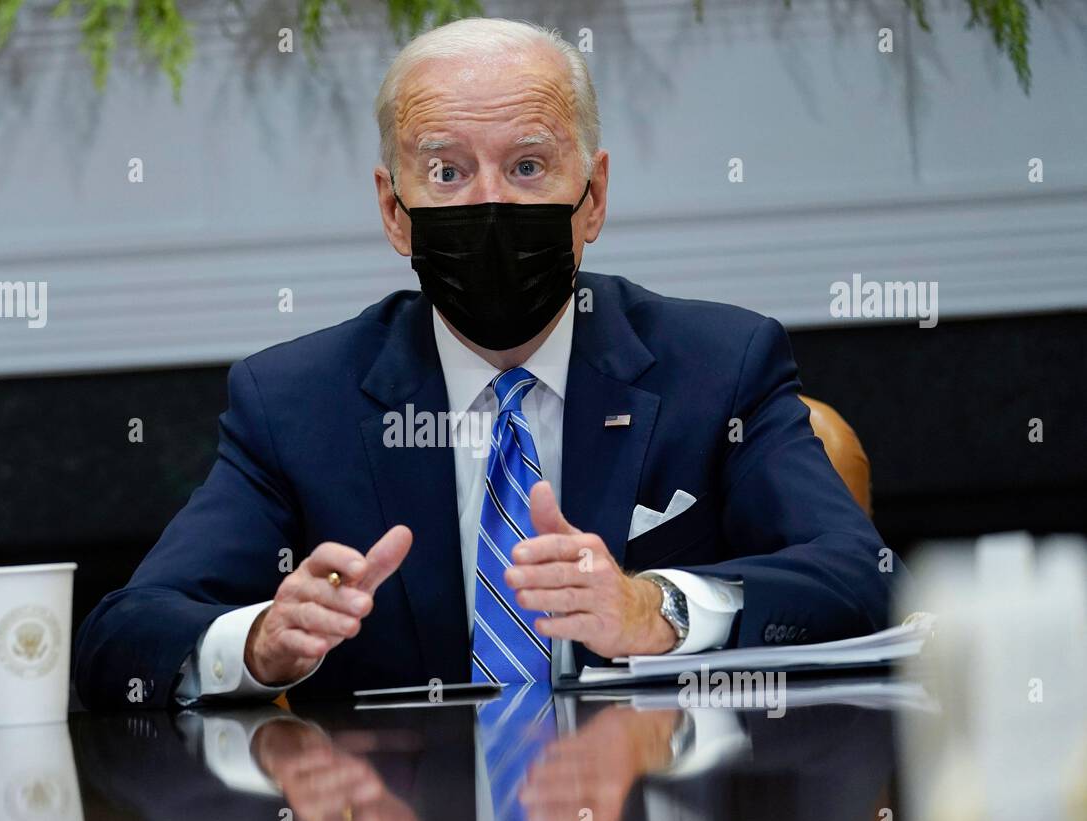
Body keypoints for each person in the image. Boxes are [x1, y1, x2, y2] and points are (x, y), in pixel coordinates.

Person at [74, 17, 895, 709]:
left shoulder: (719, 367)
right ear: (395, 212)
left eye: (529, 167)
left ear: (594, 198)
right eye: (447, 172)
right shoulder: (296, 402)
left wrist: (659, 609)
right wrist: (256, 643)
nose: (490, 205)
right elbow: (124, 635)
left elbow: (859, 579)